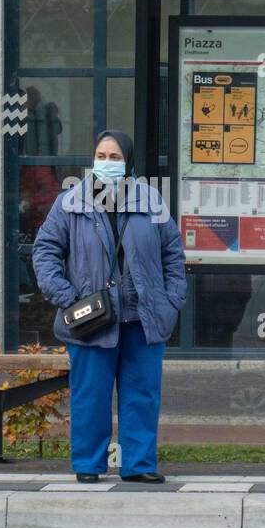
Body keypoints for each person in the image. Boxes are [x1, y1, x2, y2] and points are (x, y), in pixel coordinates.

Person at [32, 130, 186, 484]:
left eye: (115, 157)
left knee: (142, 396)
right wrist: (68, 297)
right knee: (90, 397)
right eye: (102, 155)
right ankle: (88, 464)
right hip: (92, 318)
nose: (107, 163)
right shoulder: (69, 203)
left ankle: (139, 464)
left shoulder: (151, 201)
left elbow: (173, 255)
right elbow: (45, 253)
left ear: (128, 161)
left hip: (142, 318)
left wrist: (171, 301)